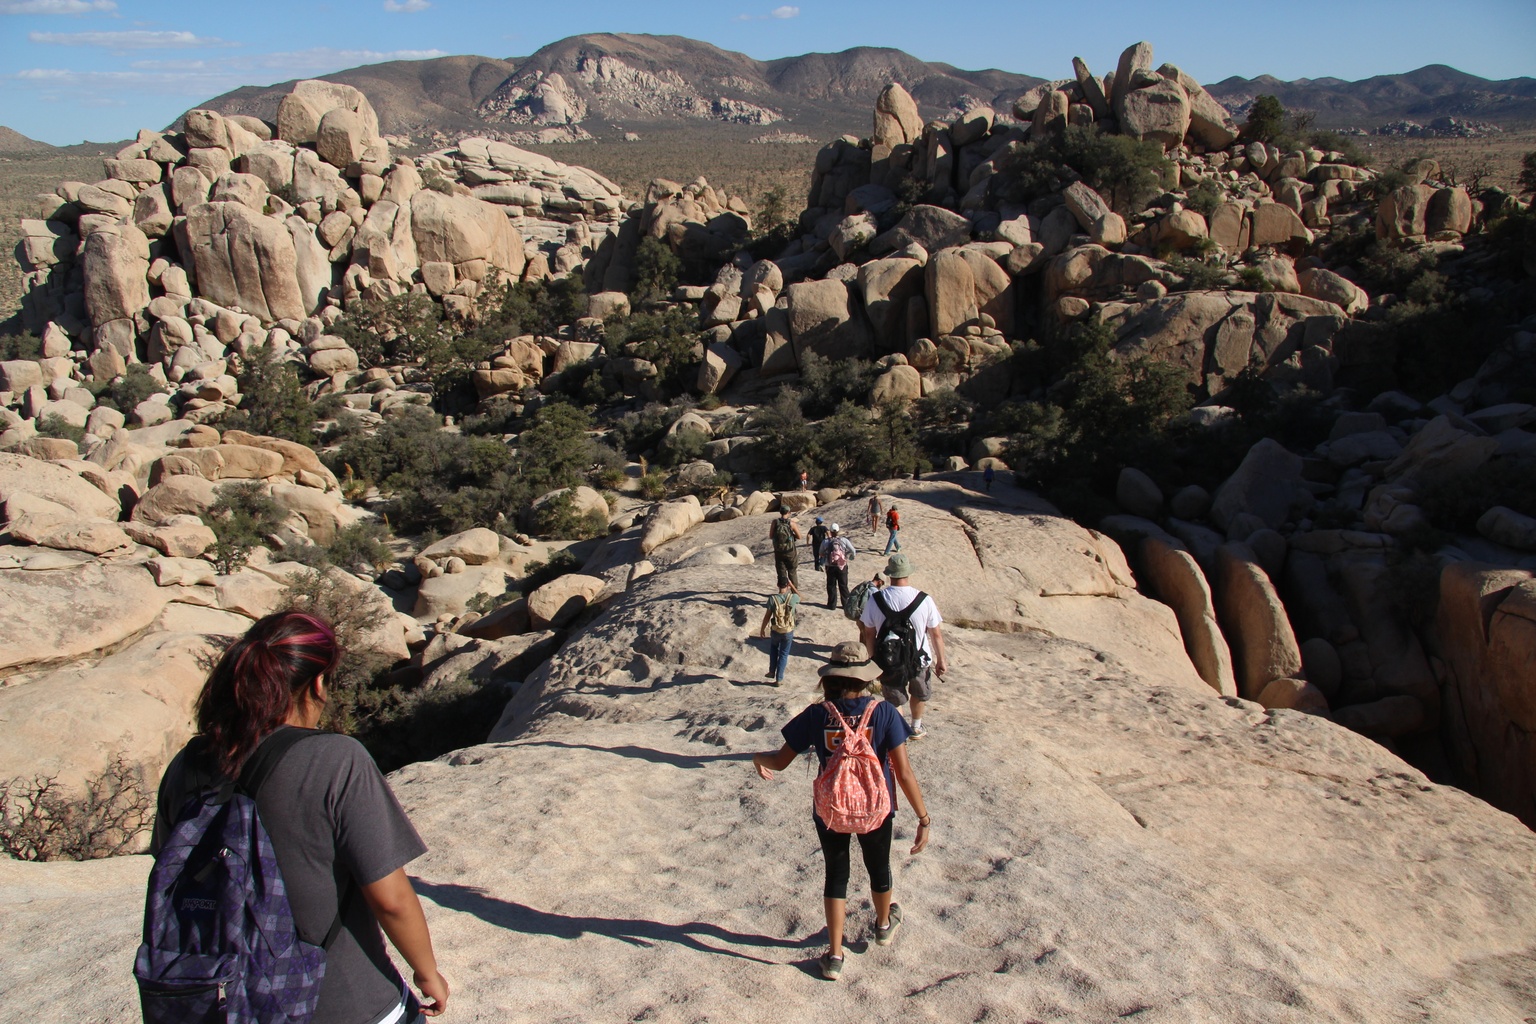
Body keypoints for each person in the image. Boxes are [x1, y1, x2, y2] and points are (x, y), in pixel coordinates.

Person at [149, 611, 449, 1024]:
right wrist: (426, 971)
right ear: (318, 683)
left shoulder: (189, 763)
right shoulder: (334, 760)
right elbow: (391, 899)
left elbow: (169, 866)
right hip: (343, 1001)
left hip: (222, 997)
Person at [752, 641, 931, 981]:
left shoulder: (818, 714)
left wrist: (757, 758)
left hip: (831, 808)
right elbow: (904, 772)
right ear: (865, 677)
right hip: (876, 806)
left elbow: (780, 760)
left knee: (836, 873)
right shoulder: (884, 713)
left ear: (831, 677)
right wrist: (923, 818)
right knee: (878, 866)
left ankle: (834, 956)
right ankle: (882, 925)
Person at [859, 553, 946, 740]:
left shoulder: (876, 599)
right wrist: (941, 660)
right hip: (919, 658)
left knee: (894, 698)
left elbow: (869, 633)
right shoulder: (924, 599)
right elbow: (935, 633)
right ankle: (915, 726)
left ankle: (898, 733)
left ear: (889, 574)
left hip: (888, 659)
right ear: (908, 573)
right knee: (919, 693)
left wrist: (873, 660)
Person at [758, 579, 800, 685]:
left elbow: (767, 616)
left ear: (777, 585)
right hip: (788, 630)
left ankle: (772, 671)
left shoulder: (773, 599)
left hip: (776, 629)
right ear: (788, 586)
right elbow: (801, 597)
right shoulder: (792, 598)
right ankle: (779, 679)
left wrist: (762, 628)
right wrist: (793, 586)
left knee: (773, 649)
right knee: (783, 654)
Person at [820, 522, 855, 611]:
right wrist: (848, 556)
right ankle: (846, 604)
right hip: (842, 566)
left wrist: (826, 555)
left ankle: (832, 605)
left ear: (830, 532)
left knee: (831, 585)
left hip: (830, 566)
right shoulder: (844, 540)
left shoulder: (826, 541)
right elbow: (853, 551)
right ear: (838, 531)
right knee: (843, 585)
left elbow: (820, 553)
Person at [770, 507, 802, 591]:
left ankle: (782, 592)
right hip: (790, 551)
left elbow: (771, 536)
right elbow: (799, 536)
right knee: (792, 571)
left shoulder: (775, 522)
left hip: (779, 551)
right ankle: (794, 593)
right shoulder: (791, 523)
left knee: (781, 572)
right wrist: (792, 536)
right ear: (788, 512)